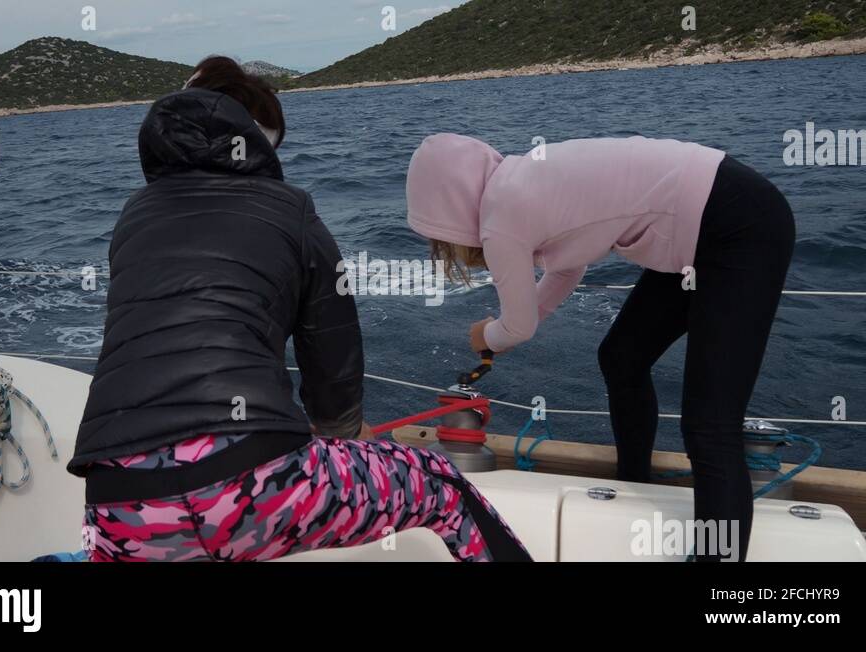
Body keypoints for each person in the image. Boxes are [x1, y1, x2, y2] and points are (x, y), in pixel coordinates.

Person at [67, 57, 531, 562]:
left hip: (117, 507)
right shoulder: (291, 208)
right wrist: (345, 431)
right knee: (441, 485)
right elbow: (330, 343)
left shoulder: (135, 213)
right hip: (250, 484)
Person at [405, 133, 795, 562]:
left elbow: (518, 326)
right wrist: (512, 327)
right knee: (621, 357)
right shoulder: (521, 182)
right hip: (703, 221)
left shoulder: (500, 217)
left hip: (737, 225)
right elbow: (567, 269)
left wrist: (488, 336)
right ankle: (634, 482)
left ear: (447, 206)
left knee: (710, 425)